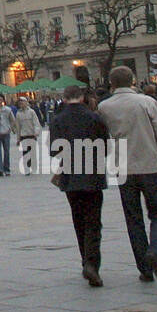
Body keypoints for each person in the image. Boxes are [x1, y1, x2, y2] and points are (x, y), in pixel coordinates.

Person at [97, 65, 157, 283]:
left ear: (111, 83)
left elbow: (102, 139)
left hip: (123, 169)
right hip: (150, 164)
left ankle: (144, 268)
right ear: (133, 80)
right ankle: (156, 250)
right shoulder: (147, 102)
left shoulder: (104, 107)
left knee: (133, 219)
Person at [49, 85, 110, 287]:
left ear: (64, 98)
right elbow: (106, 146)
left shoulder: (57, 119)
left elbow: (54, 150)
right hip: (93, 175)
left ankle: (85, 259)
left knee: (79, 219)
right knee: (94, 221)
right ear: (82, 97)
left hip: (71, 176)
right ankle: (92, 264)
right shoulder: (94, 117)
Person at [13, 97, 40, 175]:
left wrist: (36, 132)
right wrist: (18, 139)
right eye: (19, 103)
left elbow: (36, 123)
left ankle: (34, 167)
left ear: (26, 102)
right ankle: (27, 169)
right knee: (25, 153)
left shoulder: (31, 112)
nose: (21, 104)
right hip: (24, 135)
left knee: (33, 152)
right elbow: (18, 127)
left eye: (22, 102)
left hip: (32, 135)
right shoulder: (18, 114)